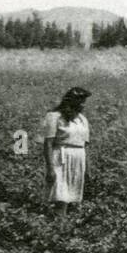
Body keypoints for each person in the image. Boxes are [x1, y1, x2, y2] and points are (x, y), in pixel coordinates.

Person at [39, 87, 92, 217]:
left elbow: (85, 145)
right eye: (80, 101)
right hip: (60, 158)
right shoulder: (54, 117)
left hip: (78, 159)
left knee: (72, 195)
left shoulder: (82, 120)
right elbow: (48, 143)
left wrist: (87, 167)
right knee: (60, 195)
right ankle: (58, 224)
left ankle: (65, 227)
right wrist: (50, 168)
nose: (83, 105)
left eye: (84, 101)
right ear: (71, 101)